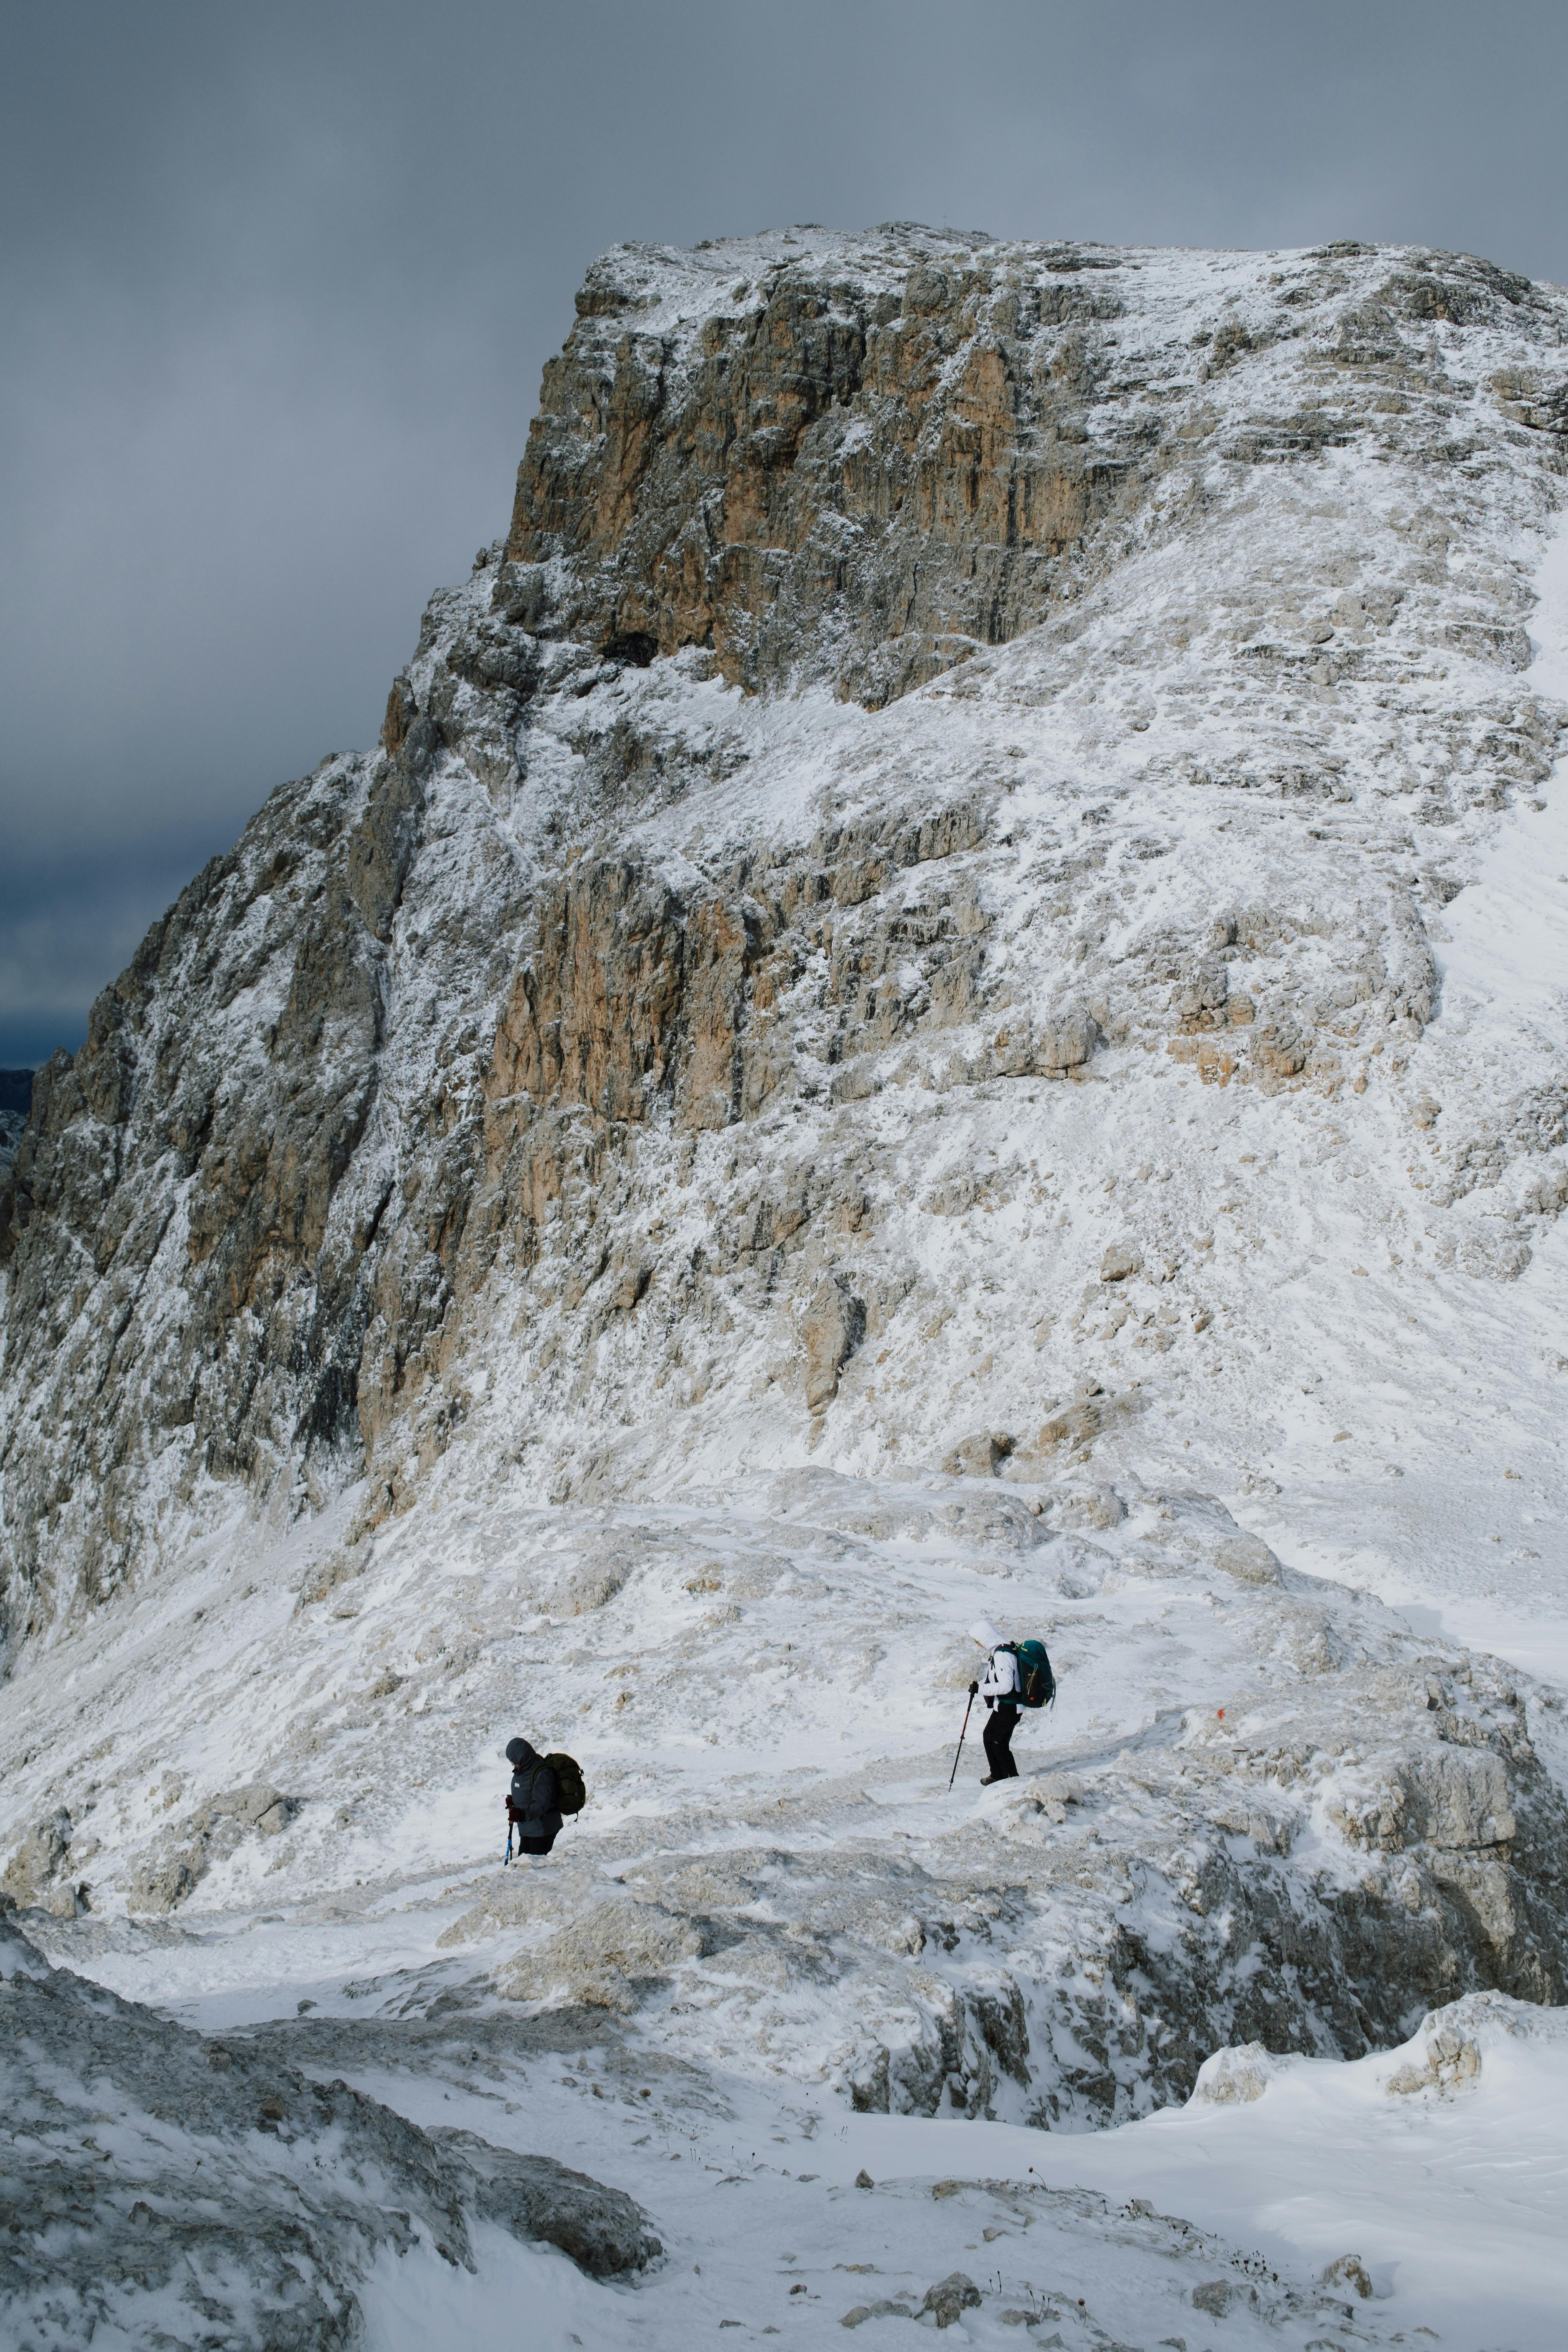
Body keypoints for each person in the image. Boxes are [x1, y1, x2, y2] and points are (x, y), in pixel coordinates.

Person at [968, 1618, 1020, 1784]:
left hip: (1011, 1707)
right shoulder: (1001, 1650)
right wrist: (981, 1685)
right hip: (1003, 1705)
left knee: (999, 1743)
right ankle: (998, 1776)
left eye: (978, 1641)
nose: (978, 1645)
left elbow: (1006, 1686)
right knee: (989, 1737)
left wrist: (980, 1690)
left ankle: (1013, 1782)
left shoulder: (1003, 1656)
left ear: (985, 1638)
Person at [505, 1736, 562, 1857]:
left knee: (535, 1870)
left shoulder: (542, 1772)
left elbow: (541, 1804)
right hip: (529, 1828)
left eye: (515, 1761)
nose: (513, 1764)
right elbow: (527, 1791)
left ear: (523, 1757)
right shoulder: (523, 1769)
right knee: (524, 1866)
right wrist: (514, 1800)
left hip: (543, 1829)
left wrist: (521, 1814)